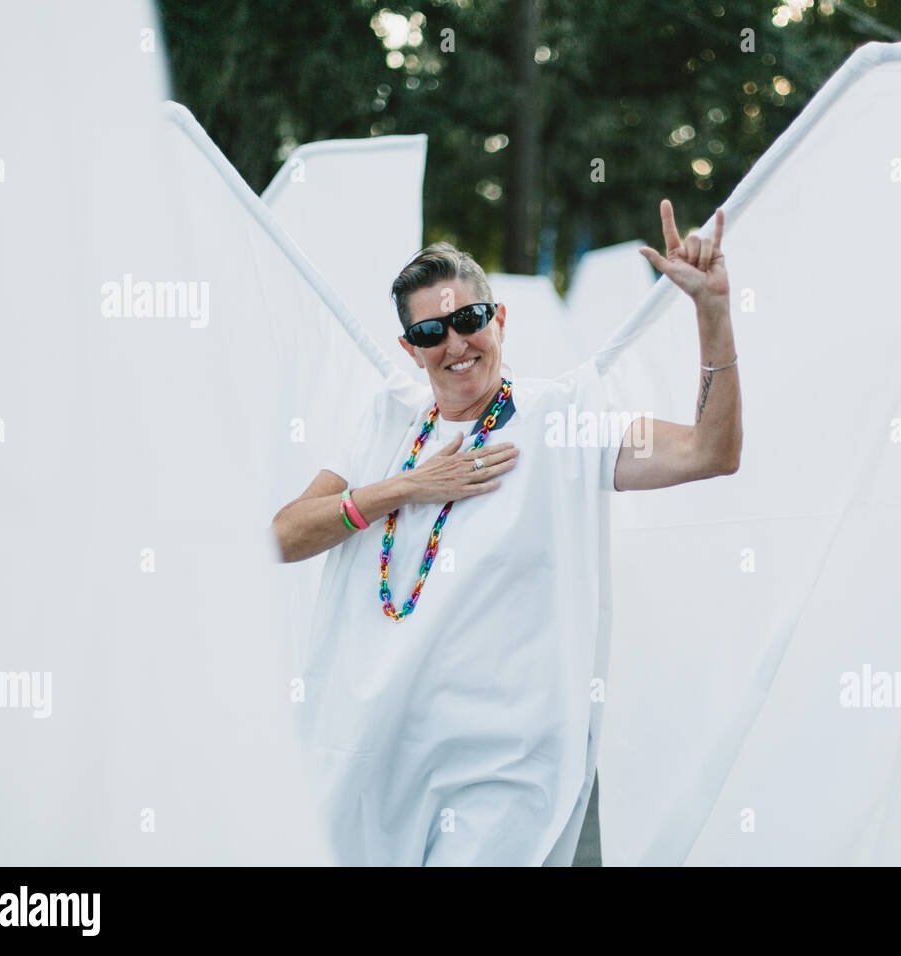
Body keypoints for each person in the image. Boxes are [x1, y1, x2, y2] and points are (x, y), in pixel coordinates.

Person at [271, 200, 742, 865]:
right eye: (433, 332)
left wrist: (712, 314)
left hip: (508, 774)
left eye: (468, 320)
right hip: (381, 756)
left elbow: (709, 452)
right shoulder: (389, 423)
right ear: (410, 349)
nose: (456, 345)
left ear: (499, 318)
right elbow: (284, 535)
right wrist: (408, 487)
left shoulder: (561, 419)